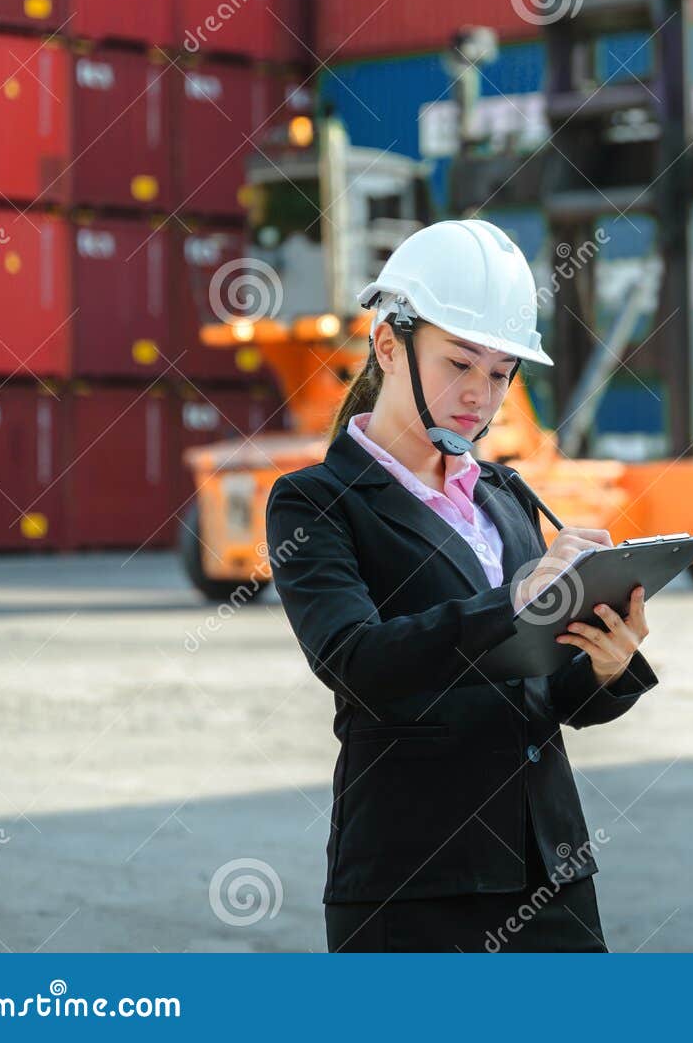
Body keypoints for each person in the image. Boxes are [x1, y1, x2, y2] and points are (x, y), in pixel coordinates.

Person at [265, 218, 659, 952]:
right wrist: (509, 602)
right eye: (460, 363)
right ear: (388, 345)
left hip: (552, 871)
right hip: (417, 885)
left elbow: (539, 695)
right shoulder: (316, 503)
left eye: (502, 372)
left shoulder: (505, 495)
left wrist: (607, 668)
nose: (481, 394)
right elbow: (357, 662)